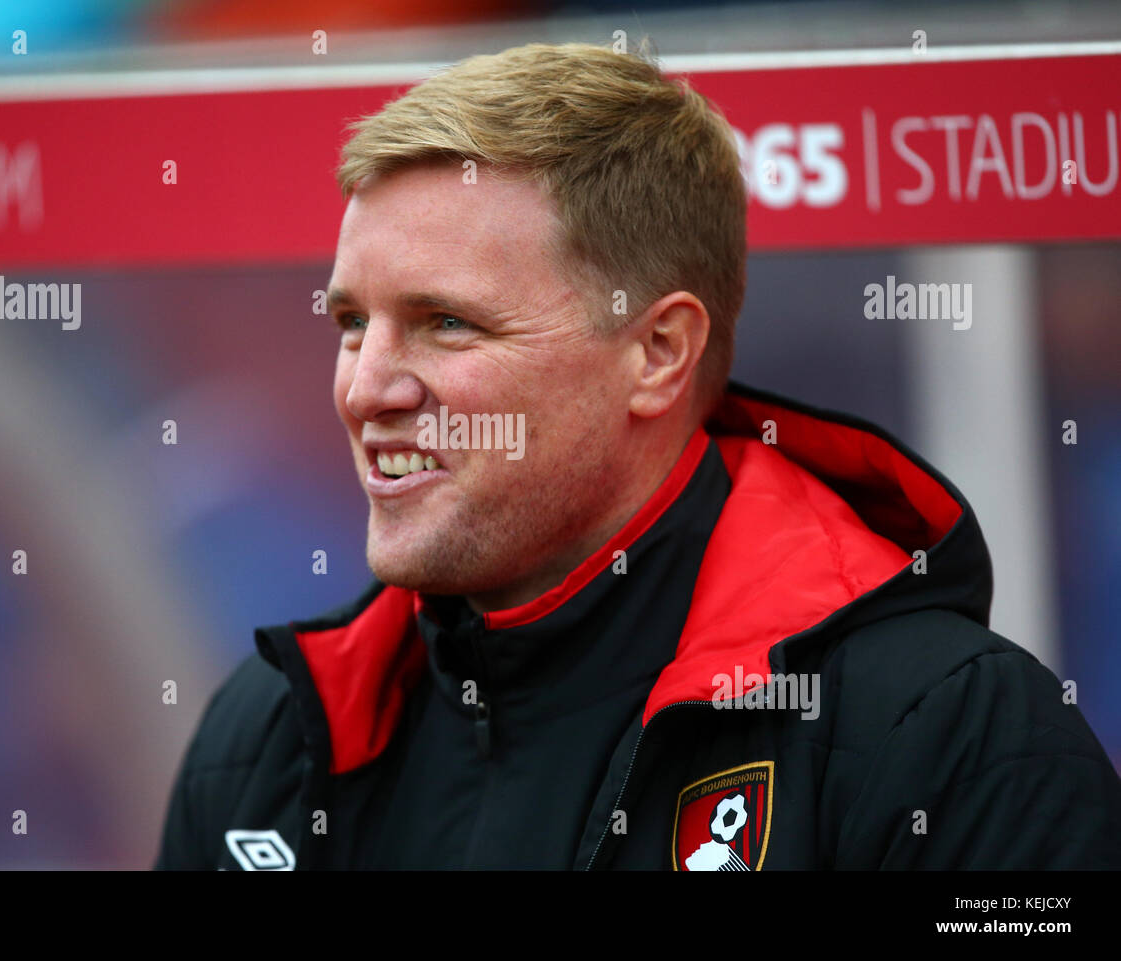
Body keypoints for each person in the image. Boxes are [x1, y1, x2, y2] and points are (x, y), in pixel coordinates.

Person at [155, 41, 1121, 870]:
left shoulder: (947, 735)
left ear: (657, 353)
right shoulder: (268, 738)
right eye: (351, 322)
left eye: (446, 323)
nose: (368, 388)